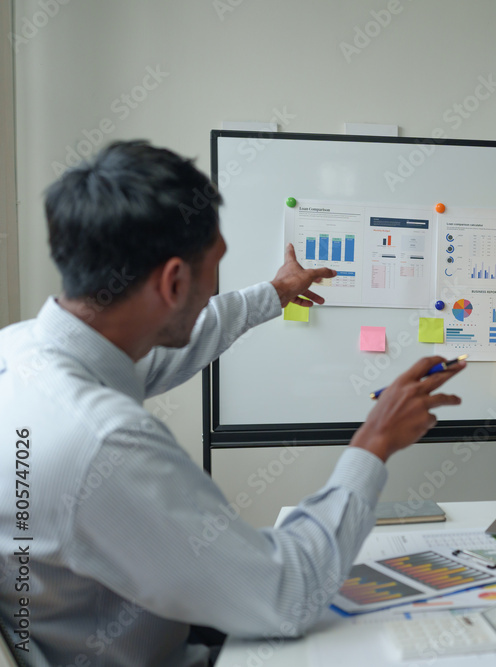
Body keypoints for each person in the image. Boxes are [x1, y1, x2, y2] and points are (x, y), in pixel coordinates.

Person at [0, 141, 465, 665]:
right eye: (216, 264)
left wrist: (275, 292)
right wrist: (373, 442)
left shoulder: (21, 353)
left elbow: (161, 352)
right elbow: (288, 594)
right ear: (174, 280)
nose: (214, 285)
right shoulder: (103, 445)